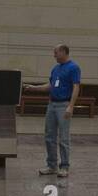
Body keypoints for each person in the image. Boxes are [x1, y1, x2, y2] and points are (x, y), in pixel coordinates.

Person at [39, 44, 81, 178]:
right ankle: (52, 166)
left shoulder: (73, 67)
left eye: (56, 52)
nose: (54, 55)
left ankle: (64, 166)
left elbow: (76, 87)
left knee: (63, 138)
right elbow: (50, 86)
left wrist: (71, 106)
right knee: (49, 137)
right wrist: (34, 87)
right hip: (52, 105)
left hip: (64, 105)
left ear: (63, 52)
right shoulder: (55, 68)